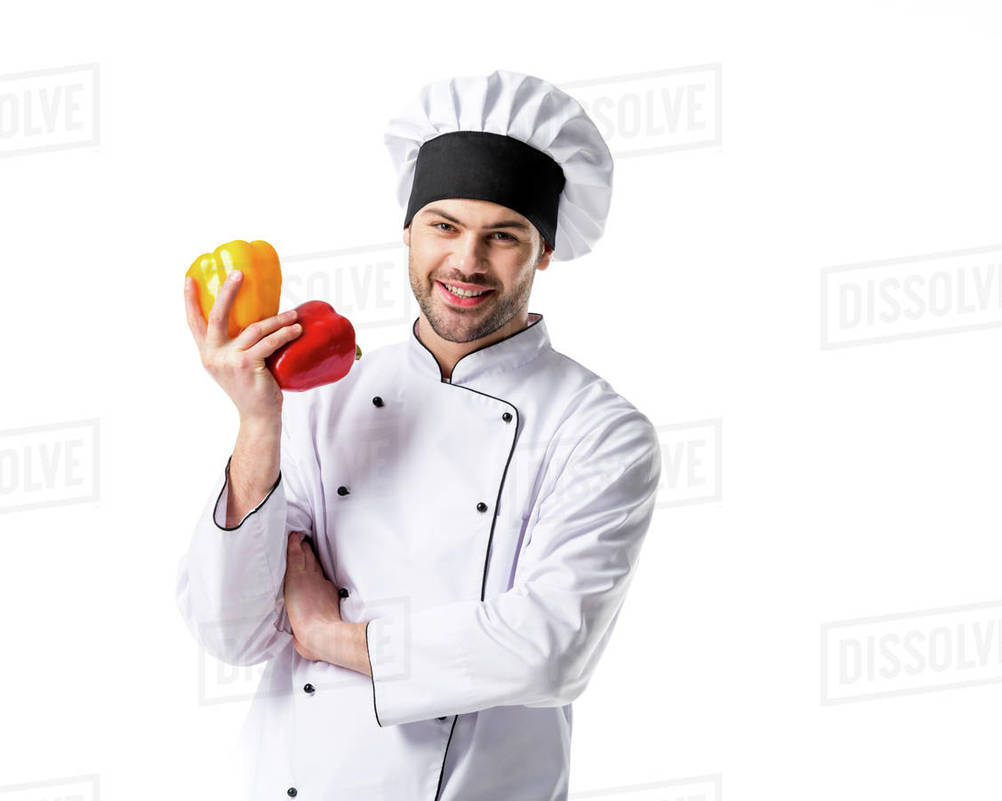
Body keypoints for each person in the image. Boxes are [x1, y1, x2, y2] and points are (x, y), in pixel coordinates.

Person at [175, 69, 662, 800]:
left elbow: (549, 649)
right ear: (408, 230)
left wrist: (327, 634)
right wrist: (257, 421)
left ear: (545, 253)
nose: (466, 262)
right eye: (444, 226)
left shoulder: (598, 430)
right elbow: (232, 633)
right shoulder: (321, 398)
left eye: (503, 236)